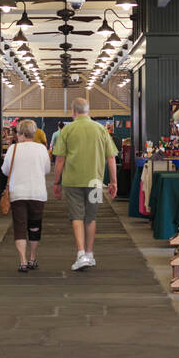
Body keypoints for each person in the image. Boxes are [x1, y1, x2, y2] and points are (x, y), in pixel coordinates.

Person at [51, 98, 118, 272]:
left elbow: (59, 159)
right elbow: (111, 158)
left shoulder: (67, 130)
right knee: (91, 217)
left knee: (77, 217)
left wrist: (56, 182)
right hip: (95, 181)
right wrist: (113, 182)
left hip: (72, 182)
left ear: (73, 112)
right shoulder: (101, 129)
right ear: (89, 111)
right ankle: (89, 254)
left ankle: (81, 254)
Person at [3, 119, 51, 272]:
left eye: (17, 133)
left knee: (20, 227)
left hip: (18, 193)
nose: (16, 136)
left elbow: (5, 170)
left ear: (23, 134)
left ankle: (22, 261)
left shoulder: (13, 149)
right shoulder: (42, 149)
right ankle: (32, 258)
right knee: (35, 226)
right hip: (38, 193)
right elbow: (47, 170)